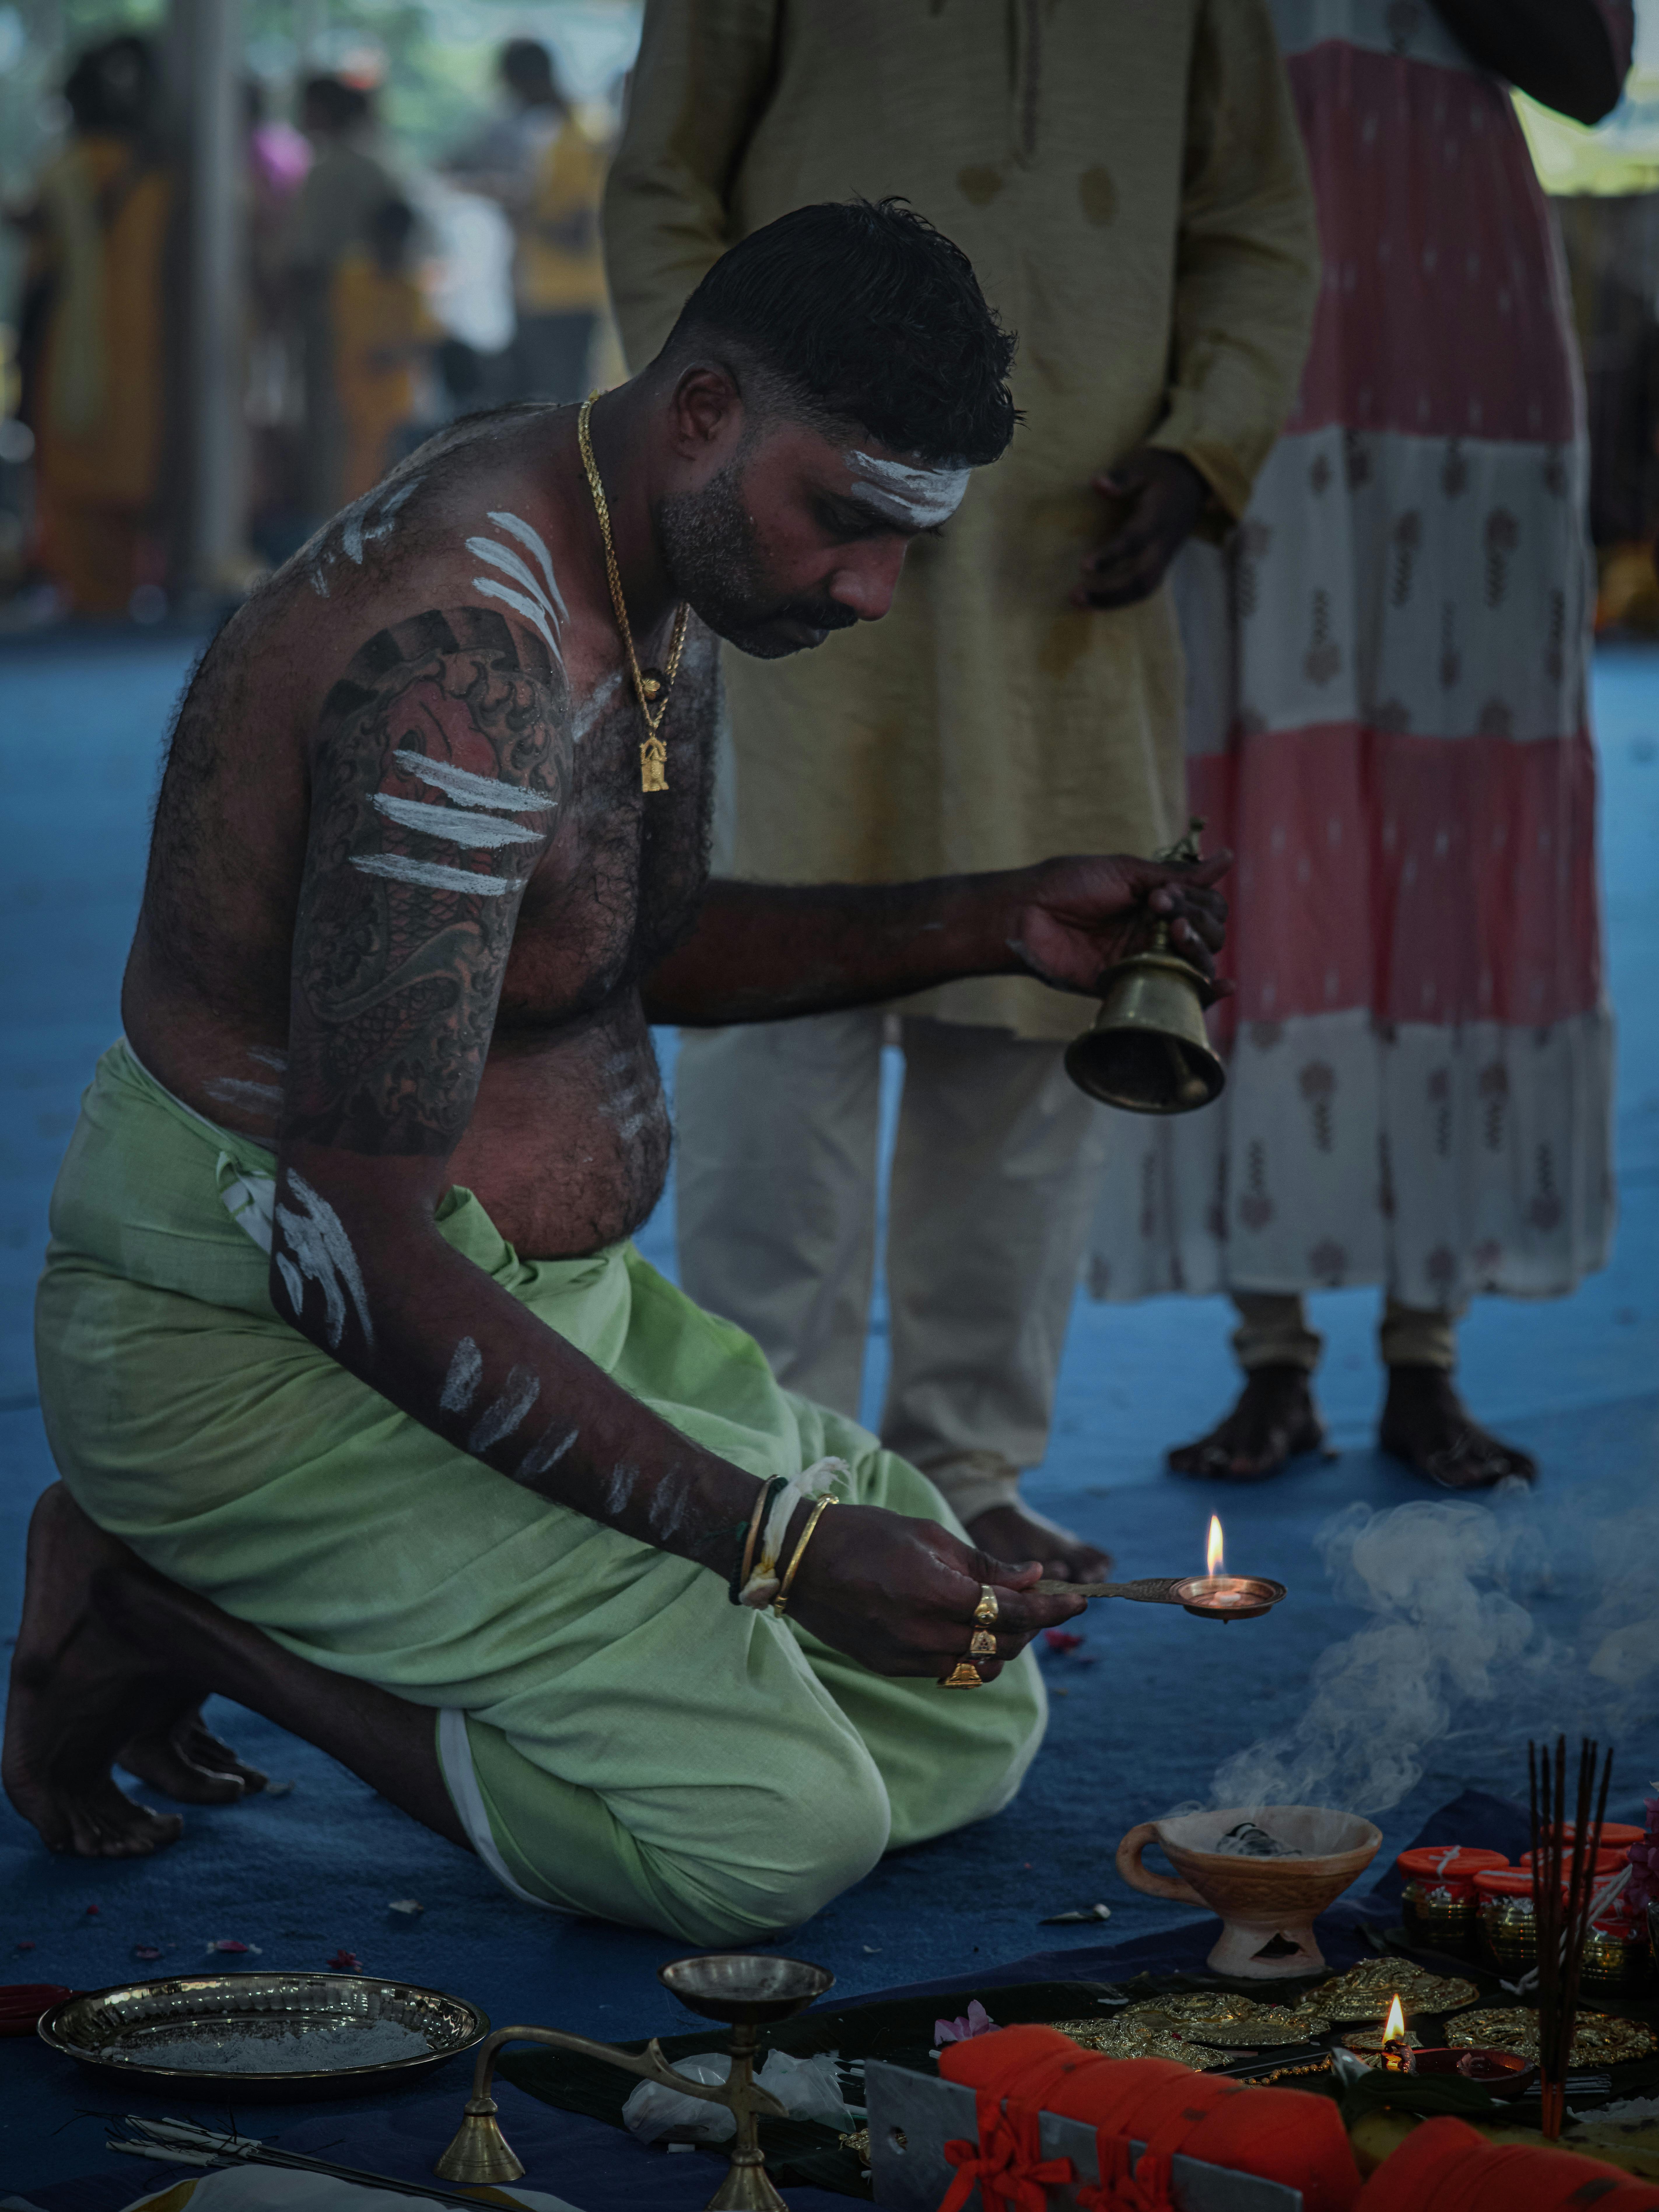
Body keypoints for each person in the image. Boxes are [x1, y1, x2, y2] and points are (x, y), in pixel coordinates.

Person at [8, 203, 1231, 1943]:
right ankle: (160, 1607)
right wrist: (780, 1549)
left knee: (967, 1707)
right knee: (769, 1841)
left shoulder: (643, 547)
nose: (873, 591)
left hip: (528, 1309)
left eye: (909, 545)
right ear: (710, 409)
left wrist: (989, 918)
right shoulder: (467, 667)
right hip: (273, 1350)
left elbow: (602, 952)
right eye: (852, 524)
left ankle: (290, 1598)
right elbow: (351, 1251)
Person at [602, 0, 1319, 1582]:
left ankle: (961, 1469)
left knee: (1038, 1004)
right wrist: (731, 443)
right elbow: (661, 181)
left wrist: (1209, 451)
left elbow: (1255, 218)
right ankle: (764, 1468)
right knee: (775, 1009)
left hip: (1069, 564)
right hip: (800, 528)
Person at [1087, 0, 1631, 1488]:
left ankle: (1424, 1352)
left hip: (1464, 354)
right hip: (1231, 353)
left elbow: (1593, 77)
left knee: (1449, 801)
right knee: (1241, 792)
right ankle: (1270, 1356)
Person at [12, 36, 171, 616]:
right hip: (152, 368)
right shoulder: (170, 181)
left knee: (79, 499)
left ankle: (93, 606)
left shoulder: (65, 174)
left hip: (75, 369)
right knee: (134, 493)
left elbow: (36, 267)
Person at [445, 40, 609, 404]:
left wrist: (520, 212)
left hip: (566, 299)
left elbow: (580, 234)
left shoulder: (583, 136)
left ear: (528, 78)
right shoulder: (550, 135)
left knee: (562, 411)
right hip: (537, 294)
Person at [286, 76, 397, 519]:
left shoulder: (327, 170)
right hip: (377, 322)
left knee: (331, 434)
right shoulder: (378, 166)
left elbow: (305, 256)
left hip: (331, 315)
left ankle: (331, 523)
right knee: (369, 433)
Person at [331, 198, 441, 502]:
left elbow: (421, 346)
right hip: (355, 401)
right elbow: (374, 353)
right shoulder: (353, 279)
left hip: (397, 407)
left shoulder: (410, 288)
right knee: (356, 484)